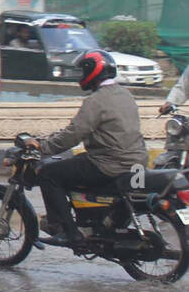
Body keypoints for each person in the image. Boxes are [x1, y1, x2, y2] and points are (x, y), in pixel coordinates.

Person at [26, 50, 147, 246]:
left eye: (83, 71)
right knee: (78, 162)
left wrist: (43, 148)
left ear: (94, 72)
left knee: (48, 173)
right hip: (137, 161)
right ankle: (91, 221)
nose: (81, 76)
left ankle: (68, 231)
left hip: (109, 164)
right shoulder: (125, 94)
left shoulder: (96, 101)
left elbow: (74, 134)